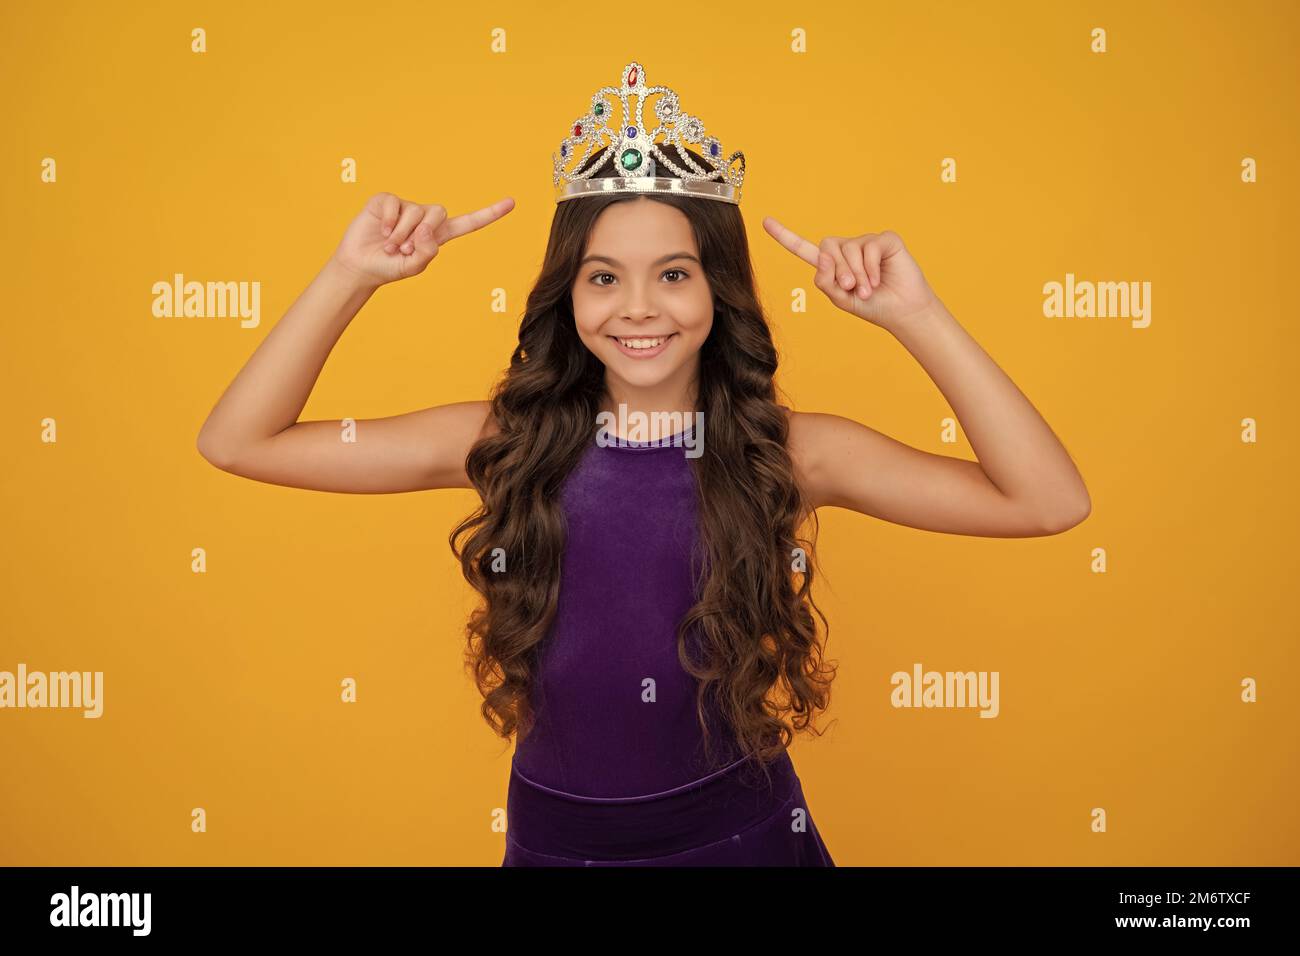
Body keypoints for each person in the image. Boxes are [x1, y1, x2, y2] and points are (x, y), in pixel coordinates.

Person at [196, 60, 1090, 866]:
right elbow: (240, 440)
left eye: (673, 274)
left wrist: (915, 315)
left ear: (717, 288)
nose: (637, 308)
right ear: (567, 291)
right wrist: (350, 274)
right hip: (556, 844)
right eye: (602, 276)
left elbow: (1047, 500)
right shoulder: (506, 441)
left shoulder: (792, 450)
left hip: (739, 841)